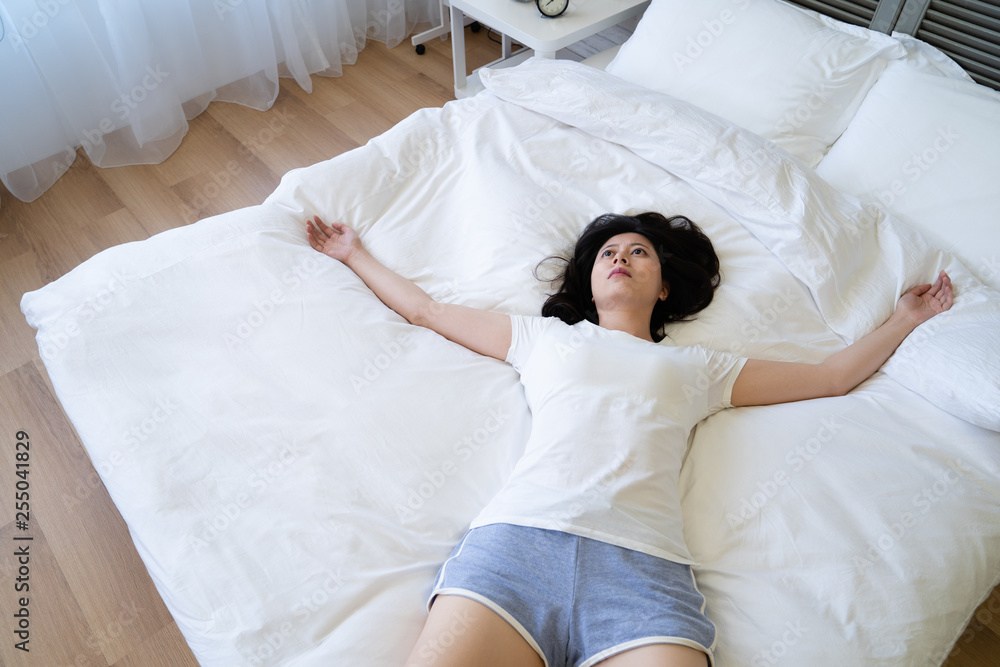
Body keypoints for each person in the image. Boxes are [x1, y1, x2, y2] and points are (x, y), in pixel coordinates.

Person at [306, 211, 953, 667]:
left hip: (642, 573)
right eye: (610, 253)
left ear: (663, 287)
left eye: (637, 252)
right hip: (517, 549)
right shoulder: (545, 338)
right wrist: (352, 253)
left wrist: (904, 318)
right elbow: (427, 311)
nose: (621, 258)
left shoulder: (700, 367)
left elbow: (830, 376)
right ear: (590, 282)